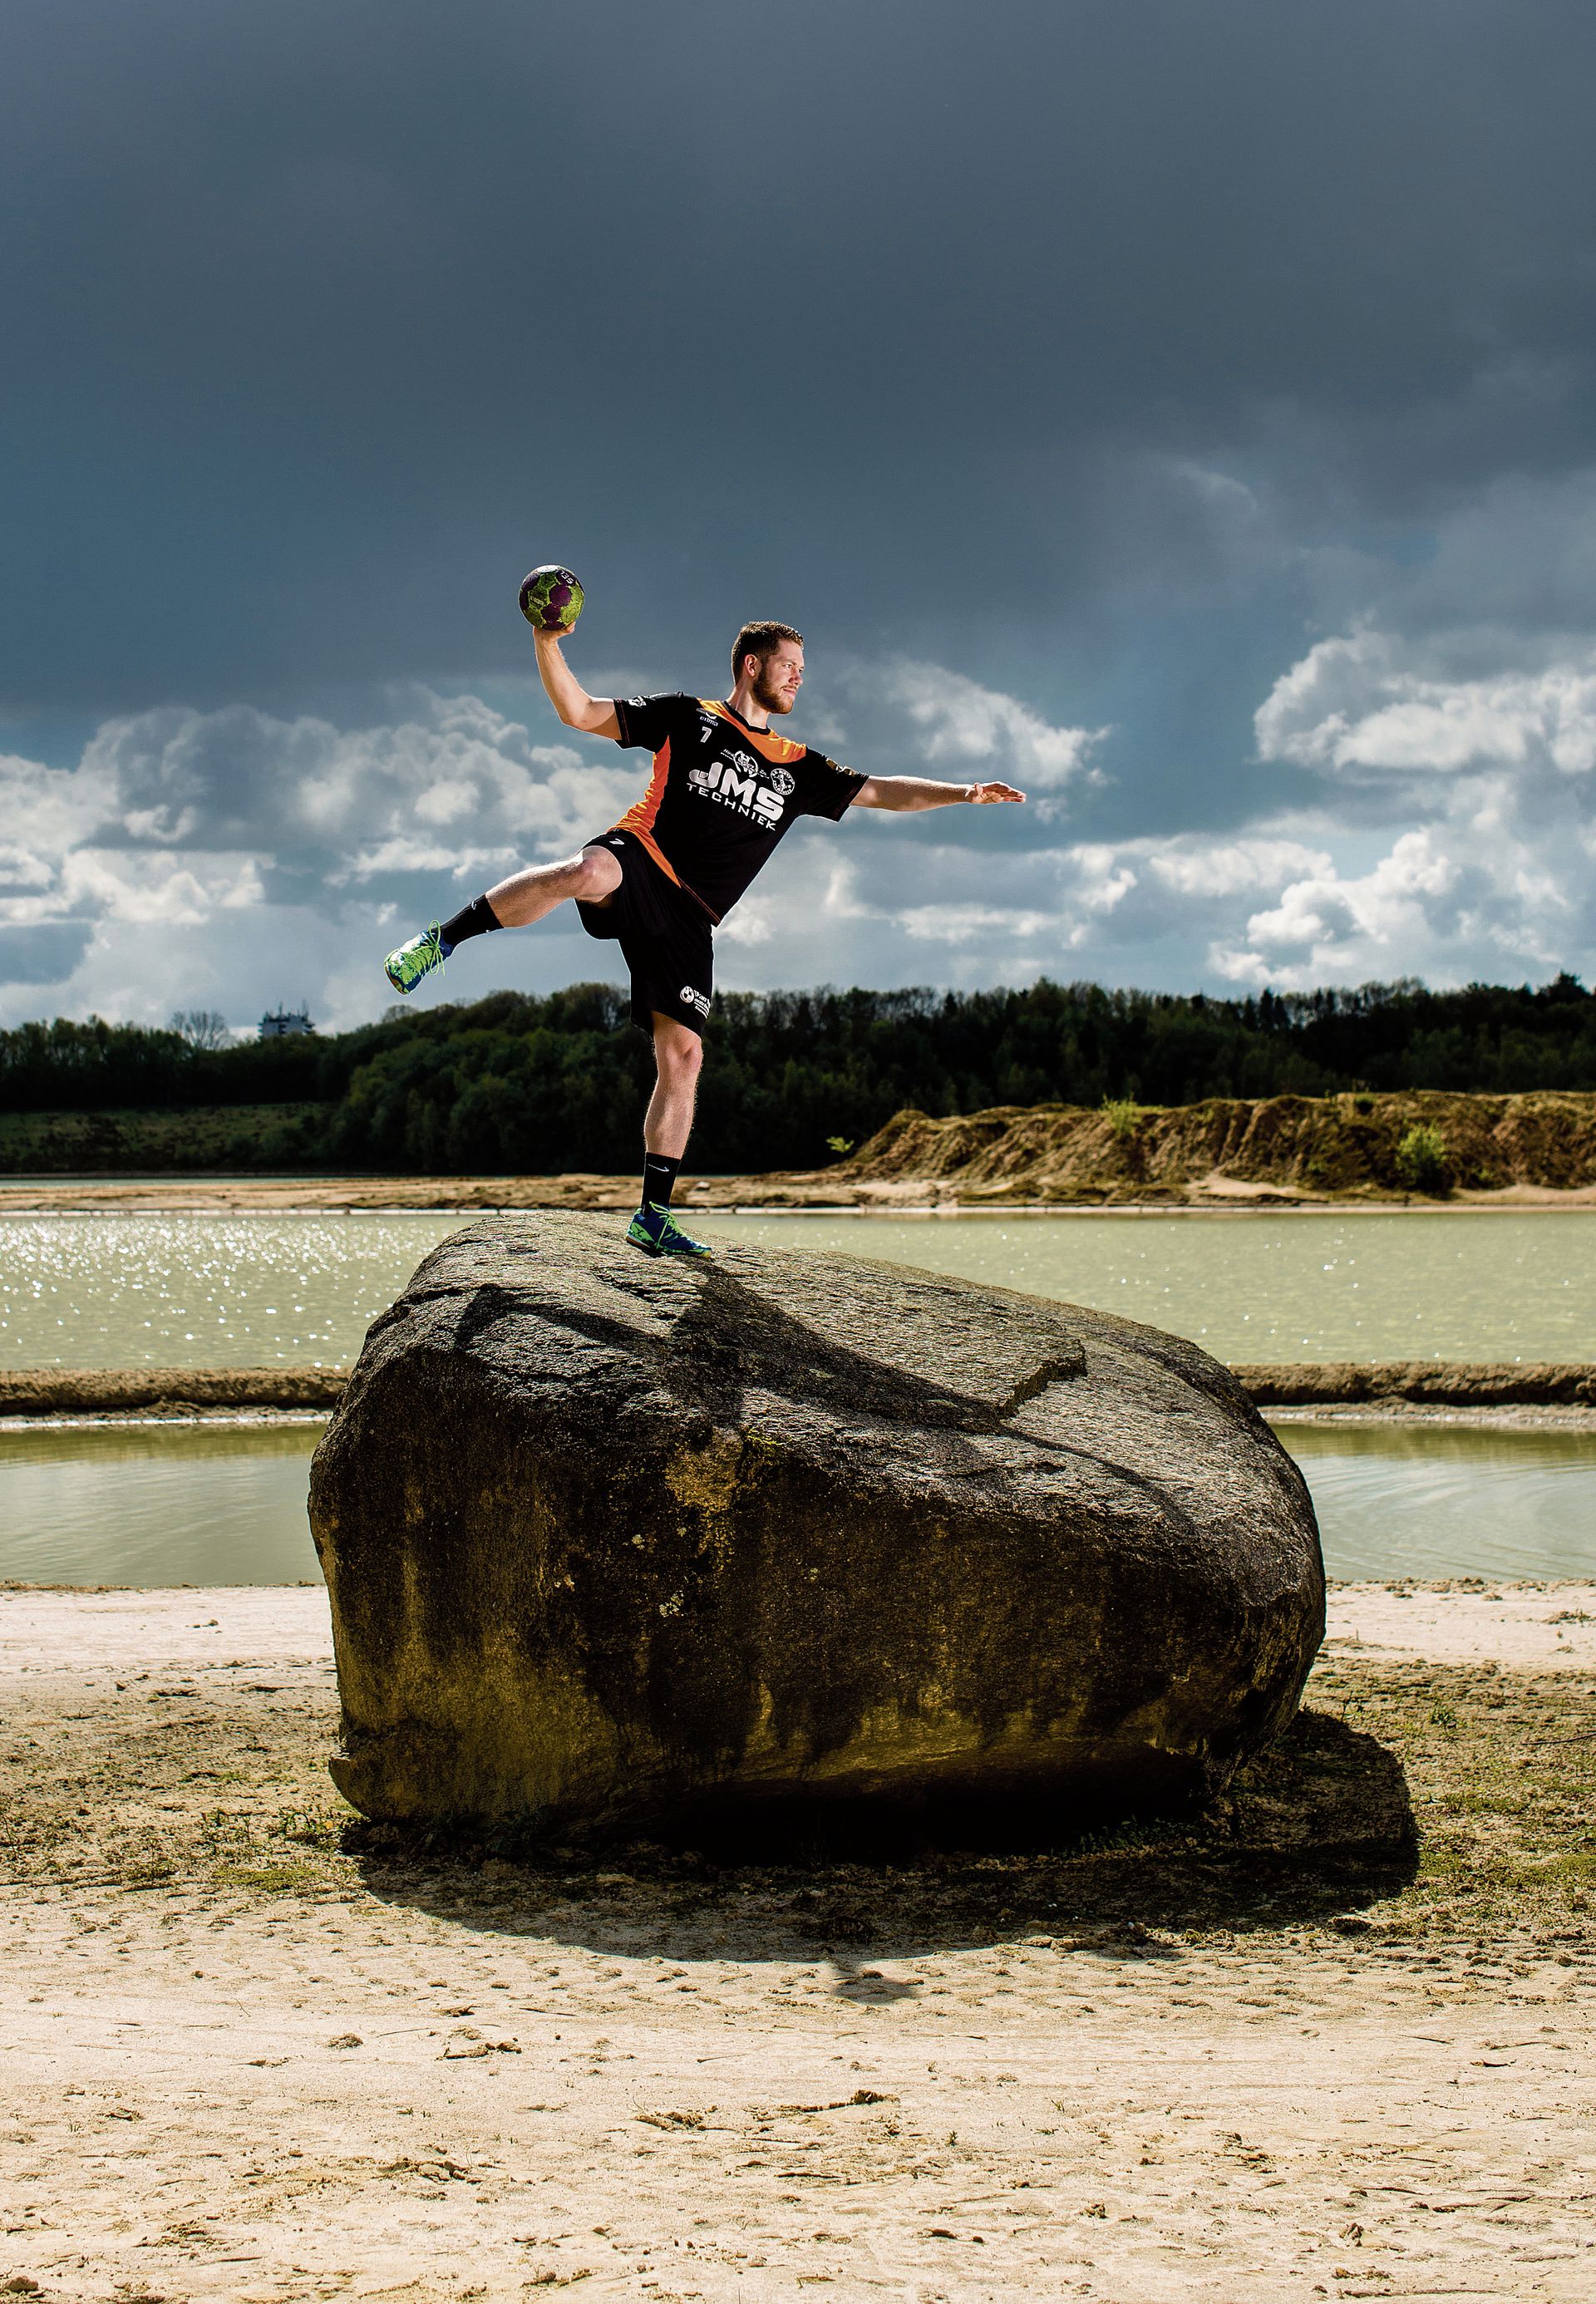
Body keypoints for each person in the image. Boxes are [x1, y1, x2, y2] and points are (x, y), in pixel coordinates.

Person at [382, 617, 1026, 1257]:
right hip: (641, 860)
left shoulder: (799, 766)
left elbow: (884, 790)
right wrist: (546, 641)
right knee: (586, 870)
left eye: (803, 669)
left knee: (684, 1058)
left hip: (692, 919)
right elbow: (579, 712)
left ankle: (653, 1215)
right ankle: (442, 940)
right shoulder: (687, 717)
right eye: (789, 665)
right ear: (752, 665)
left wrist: (965, 792)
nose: (800, 677)